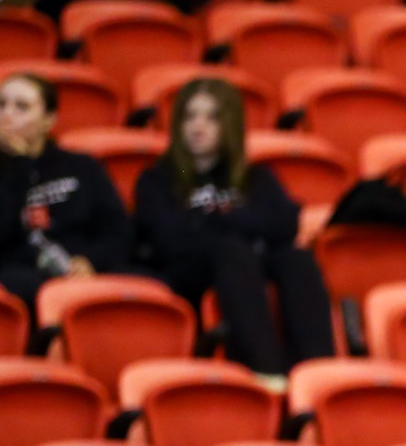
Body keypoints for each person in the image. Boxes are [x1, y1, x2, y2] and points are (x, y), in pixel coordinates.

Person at [134, 77, 336, 389]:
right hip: (191, 270)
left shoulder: (252, 176)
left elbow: (285, 224)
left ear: (229, 123)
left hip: (248, 262)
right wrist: (236, 223)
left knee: (297, 259)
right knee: (229, 249)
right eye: (190, 116)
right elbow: (171, 237)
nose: (198, 126)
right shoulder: (165, 176)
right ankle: (266, 368)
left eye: (211, 117)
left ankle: (318, 370)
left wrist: (217, 219)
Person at [0, 72, 131, 307]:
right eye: (0, 105)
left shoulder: (82, 166)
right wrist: (18, 164)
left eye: (21, 107)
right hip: (21, 272)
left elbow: (118, 230)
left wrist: (90, 261)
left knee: (149, 283)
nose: (6, 115)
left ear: (48, 120)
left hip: (83, 265)